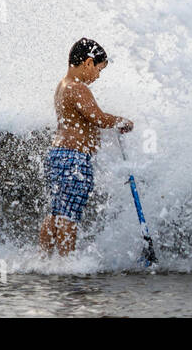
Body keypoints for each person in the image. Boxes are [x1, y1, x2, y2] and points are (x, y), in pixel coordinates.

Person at [37, 38, 133, 256]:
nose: (98, 76)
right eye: (98, 70)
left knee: (56, 212)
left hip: (58, 156)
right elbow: (98, 118)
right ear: (88, 63)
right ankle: (65, 263)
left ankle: (44, 258)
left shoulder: (62, 86)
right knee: (68, 215)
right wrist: (121, 121)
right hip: (74, 159)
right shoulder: (78, 88)